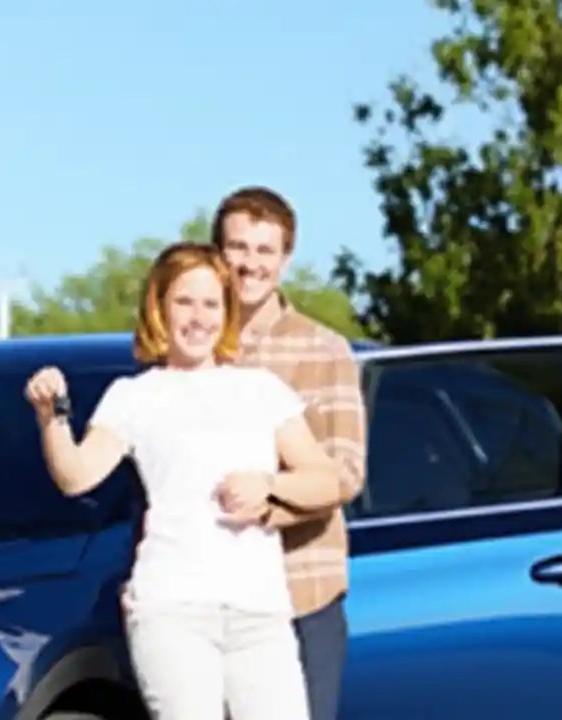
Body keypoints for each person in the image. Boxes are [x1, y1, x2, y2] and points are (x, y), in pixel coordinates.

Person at [24, 243, 342, 720]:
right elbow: (76, 476)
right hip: (173, 612)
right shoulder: (135, 396)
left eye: (211, 303)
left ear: (227, 311)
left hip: (261, 613)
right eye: (184, 302)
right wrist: (52, 416)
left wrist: (269, 485)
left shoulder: (260, 389)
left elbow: (325, 482)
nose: (199, 318)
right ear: (160, 308)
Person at [211, 186, 367, 720]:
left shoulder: (324, 350)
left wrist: (265, 501)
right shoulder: (193, 349)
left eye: (263, 251)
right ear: (218, 254)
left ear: (285, 259)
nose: (249, 264)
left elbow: (345, 473)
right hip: (210, 602)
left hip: (302, 594)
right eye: (237, 248)